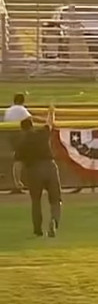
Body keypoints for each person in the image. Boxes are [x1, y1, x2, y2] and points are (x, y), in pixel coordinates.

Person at [14, 105, 62, 237]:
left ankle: (38, 230)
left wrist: (17, 180)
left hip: (33, 171)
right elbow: (50, 123)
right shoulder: (41, 133)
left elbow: (17, 165)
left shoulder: (21, 143)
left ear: (22, 129)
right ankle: (54, 221)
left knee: (36, 201)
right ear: (32, 125)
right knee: (55, 199)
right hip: (49, 167)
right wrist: (51, 112)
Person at [5, 92, 31, 194]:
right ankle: (18, 183)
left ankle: (17, 183)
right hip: (19, 137)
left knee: (18, 159)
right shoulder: (22, 110)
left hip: (10, 136)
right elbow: (30, 119)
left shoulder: (9, 110)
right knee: (20, 160)